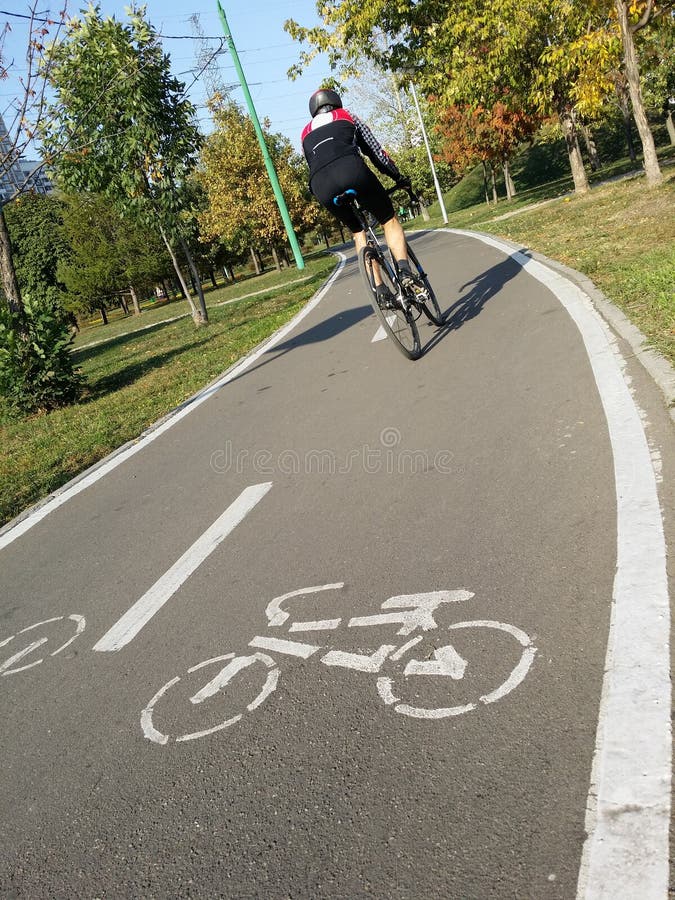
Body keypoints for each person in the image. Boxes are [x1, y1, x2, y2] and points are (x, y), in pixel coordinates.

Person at [301, 88, 416, 303]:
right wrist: (397, 176)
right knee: (389, 220)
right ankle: (405, 271)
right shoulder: (349, 117)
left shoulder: (305, 133)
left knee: (358, 232)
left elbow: (313, 164)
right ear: (337, 102)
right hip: (352, 171)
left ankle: (379, 289)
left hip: (321, 186)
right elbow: (377, 153)